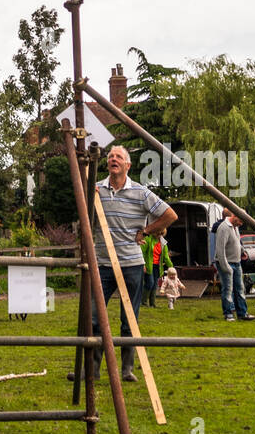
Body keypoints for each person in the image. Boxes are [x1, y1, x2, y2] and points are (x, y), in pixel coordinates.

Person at [68, 145, 177, 383]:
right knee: (94, 317)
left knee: (129, 319)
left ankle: (127, 370)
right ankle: (92, 370)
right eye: (110, 157)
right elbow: (81, 214)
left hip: (131, 265)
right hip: (102, 264)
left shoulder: (141, 192)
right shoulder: (96, 190)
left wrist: (147, 231)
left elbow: (170, 215)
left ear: (128, 165)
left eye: (118, 157)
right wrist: (87, 195)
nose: (113, 159)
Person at [215, 210, 255, 323]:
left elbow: (237, 242)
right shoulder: (223, 228)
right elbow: (220, 249)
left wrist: (242, 251)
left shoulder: (235, 227)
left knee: (240, 288)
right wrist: (225, 266)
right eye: (241, 221)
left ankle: (242, 313)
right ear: (235, 216)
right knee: (228, 289)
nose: (241, 224)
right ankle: (228, 314)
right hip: (226, 262)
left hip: (236, 262)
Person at [141, 227, 173, 307]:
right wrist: (143, 264)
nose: (160, 236)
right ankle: (143, 302)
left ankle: (153, 304)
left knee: (155, 284)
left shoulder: (163, 243)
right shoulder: (148, 240)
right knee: (149, 283)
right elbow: (142, 253)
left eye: (161, 234)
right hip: (148, 265)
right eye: (158, 234)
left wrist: (171, 267)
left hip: (157, 267)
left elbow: (166, 257)